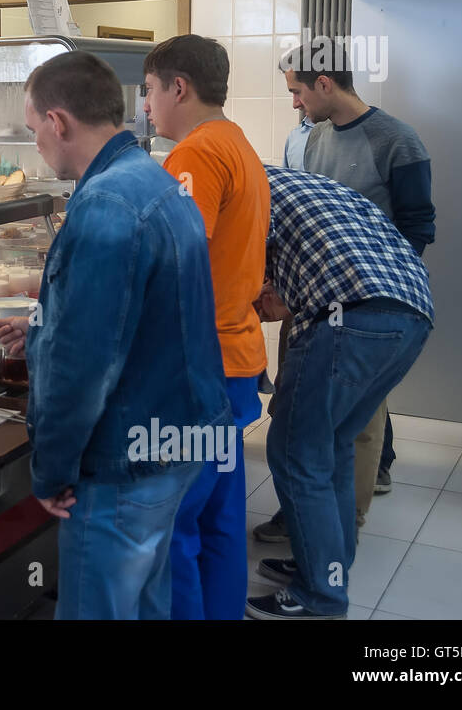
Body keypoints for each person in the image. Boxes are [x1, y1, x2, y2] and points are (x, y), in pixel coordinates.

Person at [0, 50, 231, 620]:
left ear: (58, 122)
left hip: (123, 459)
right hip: (177, 441)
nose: (37, 145)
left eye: (34, 130)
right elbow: (146, 315)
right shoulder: (157, 181)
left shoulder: (104, 205)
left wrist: (51, 471)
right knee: (147, 605)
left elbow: (84, 366)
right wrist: (44, 326)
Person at [256, 37, 435, 543]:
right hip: (307, 296)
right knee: (297, 414)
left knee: (354, 422)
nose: (294, 103)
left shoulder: (397, 140)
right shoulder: (312, 139)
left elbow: (419, 227)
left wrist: (371, 291)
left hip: (362, 307)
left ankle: (342, 523)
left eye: (297, 92)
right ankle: (299, 512)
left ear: (325, 83)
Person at [246, 166, 432, 619]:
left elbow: (231, 266)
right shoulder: (303, 185)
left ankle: (321, 599)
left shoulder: (247, 189)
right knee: (333, 448)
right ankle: (328, 567)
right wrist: (273, 291)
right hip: (411, 314)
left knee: (295, 452)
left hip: (348, 317)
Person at [141, 35, 269, 620]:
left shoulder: (194, 154)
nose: (145, 106)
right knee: (218, 517)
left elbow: (174, 262)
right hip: (235, 357)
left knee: (175, 527)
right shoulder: (236, 141)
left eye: (148, 91)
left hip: (198, 368)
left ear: (179, 88)